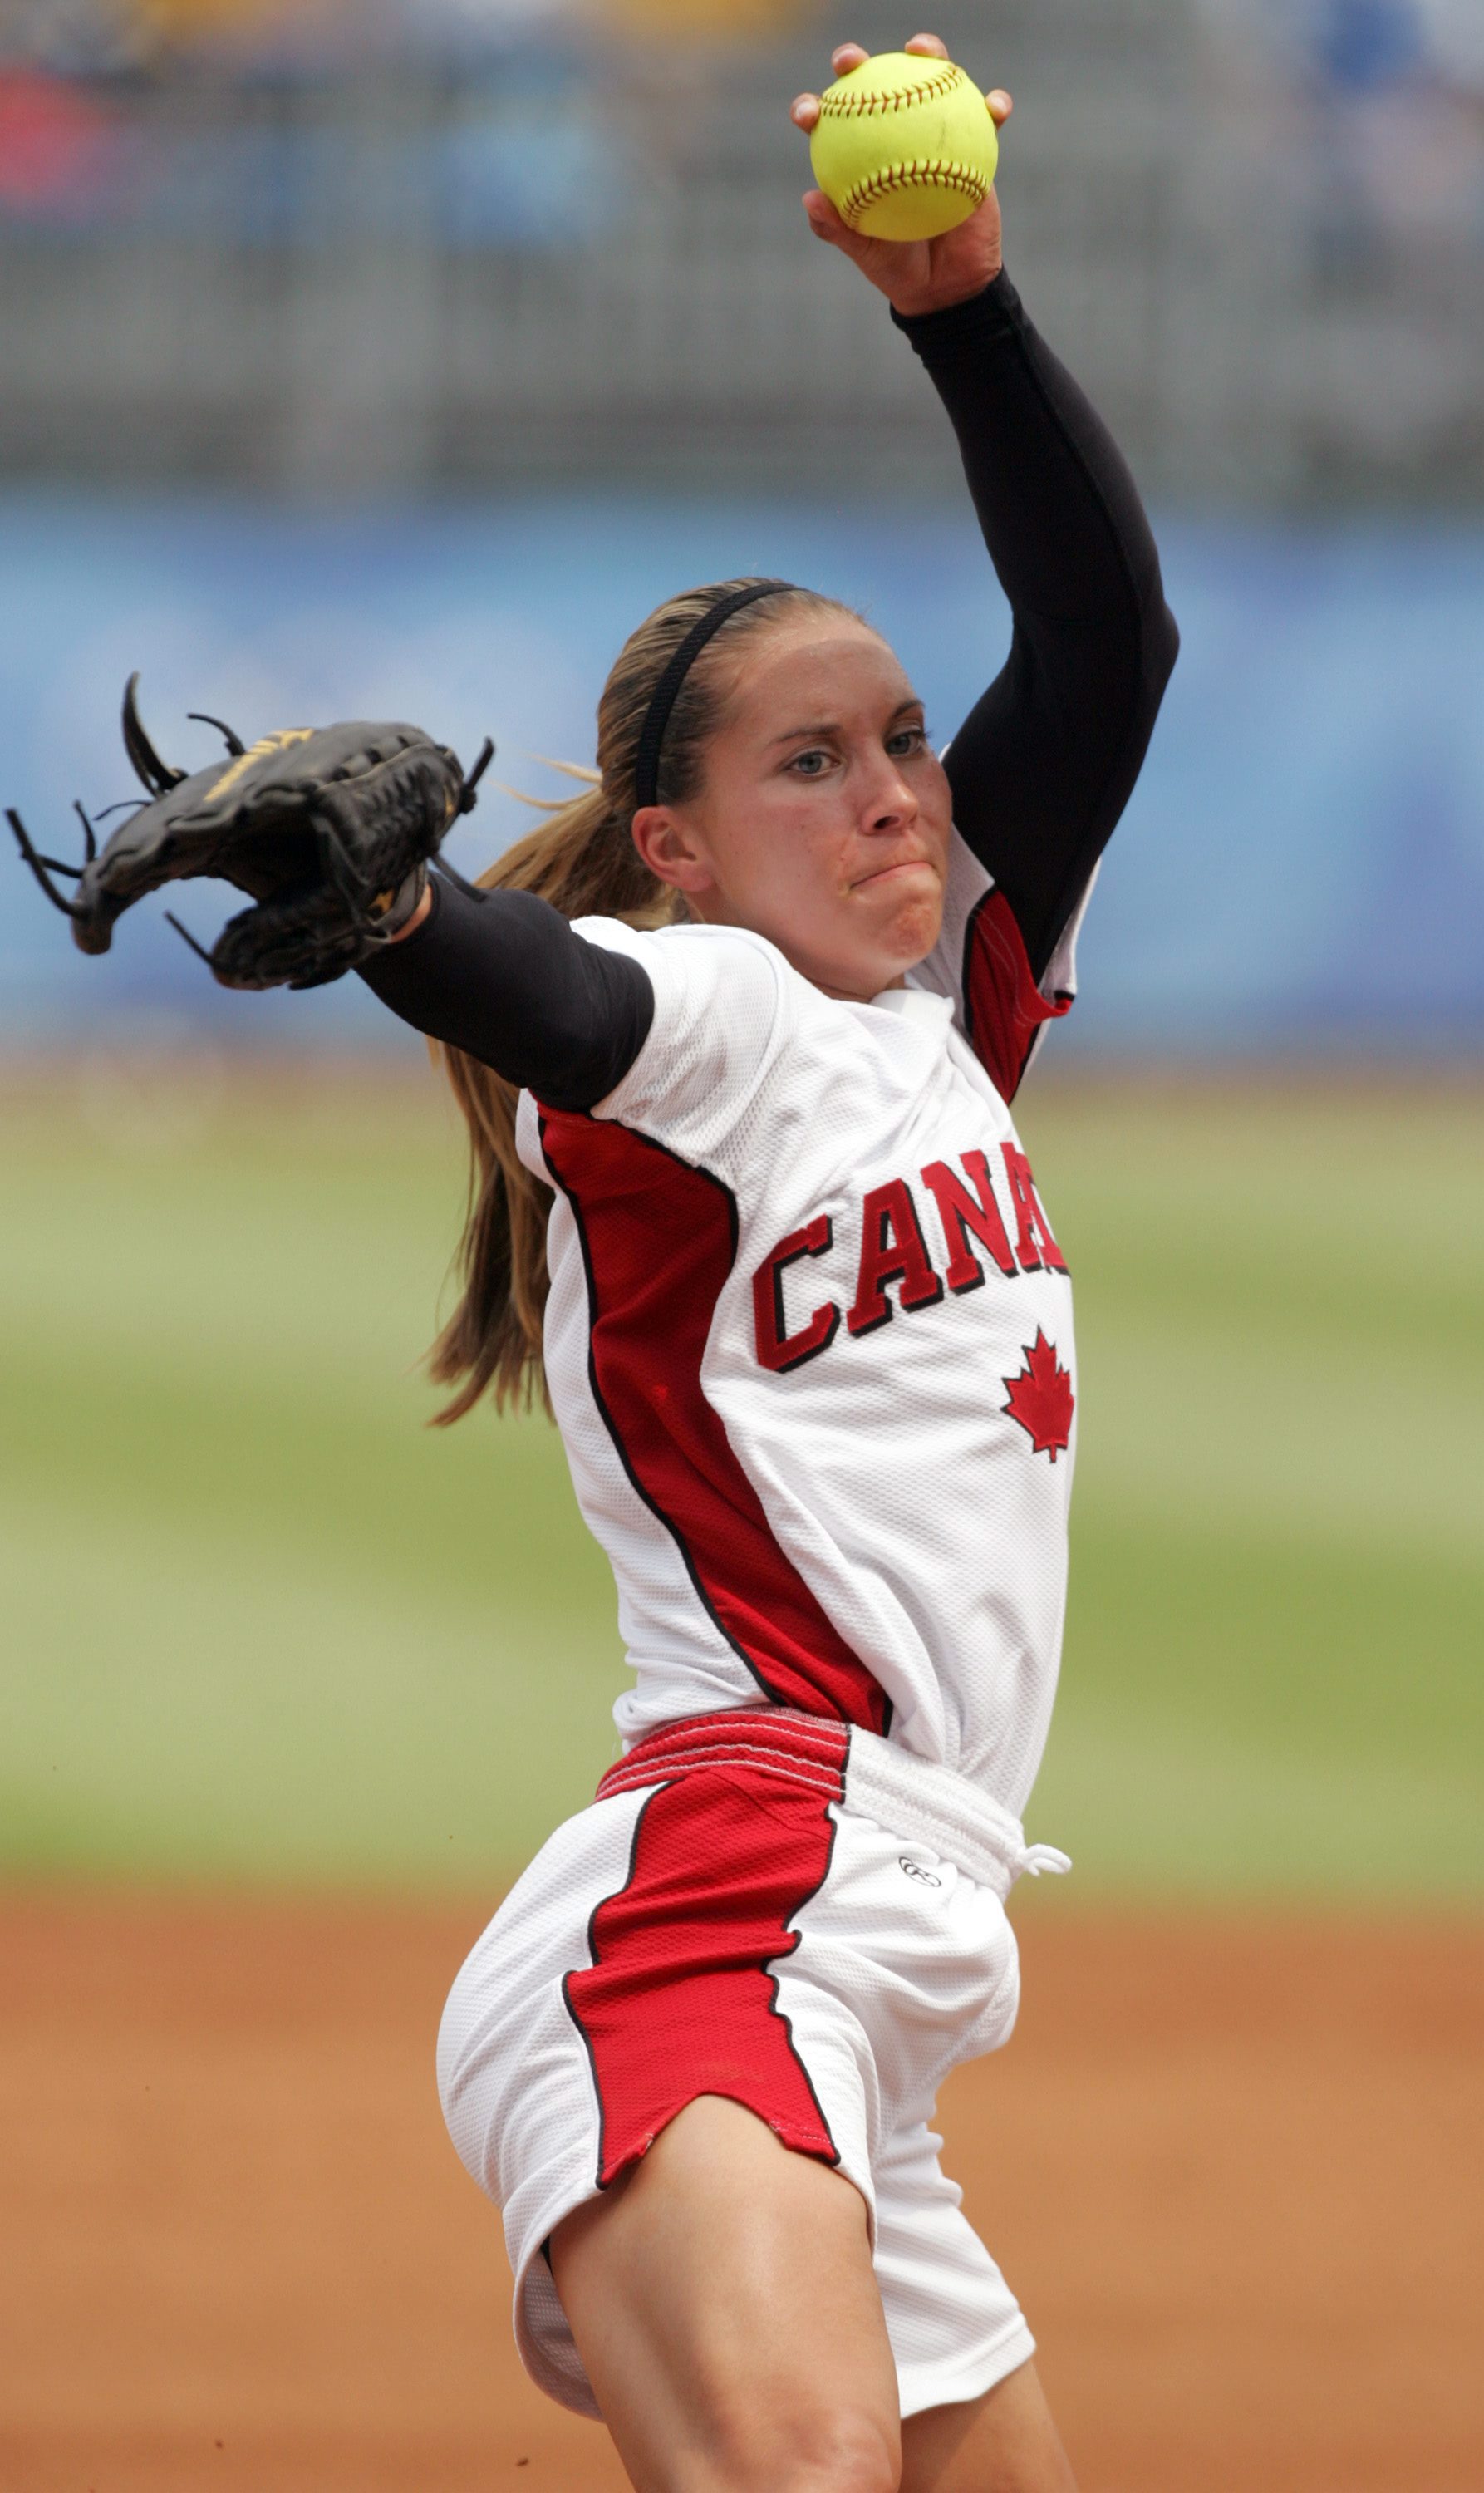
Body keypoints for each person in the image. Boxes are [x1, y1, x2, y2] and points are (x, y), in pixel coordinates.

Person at [360, 33, 1178, 2493]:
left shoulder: (943, 1014)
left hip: (887, 1948)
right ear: (678, 846)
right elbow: (552, 990)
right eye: (807, 762)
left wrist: (964, 309)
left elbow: (1108, 639)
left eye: (903, 738)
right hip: (723, 1905)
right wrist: (397, 914)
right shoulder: (700, 1028)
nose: (894, 790)